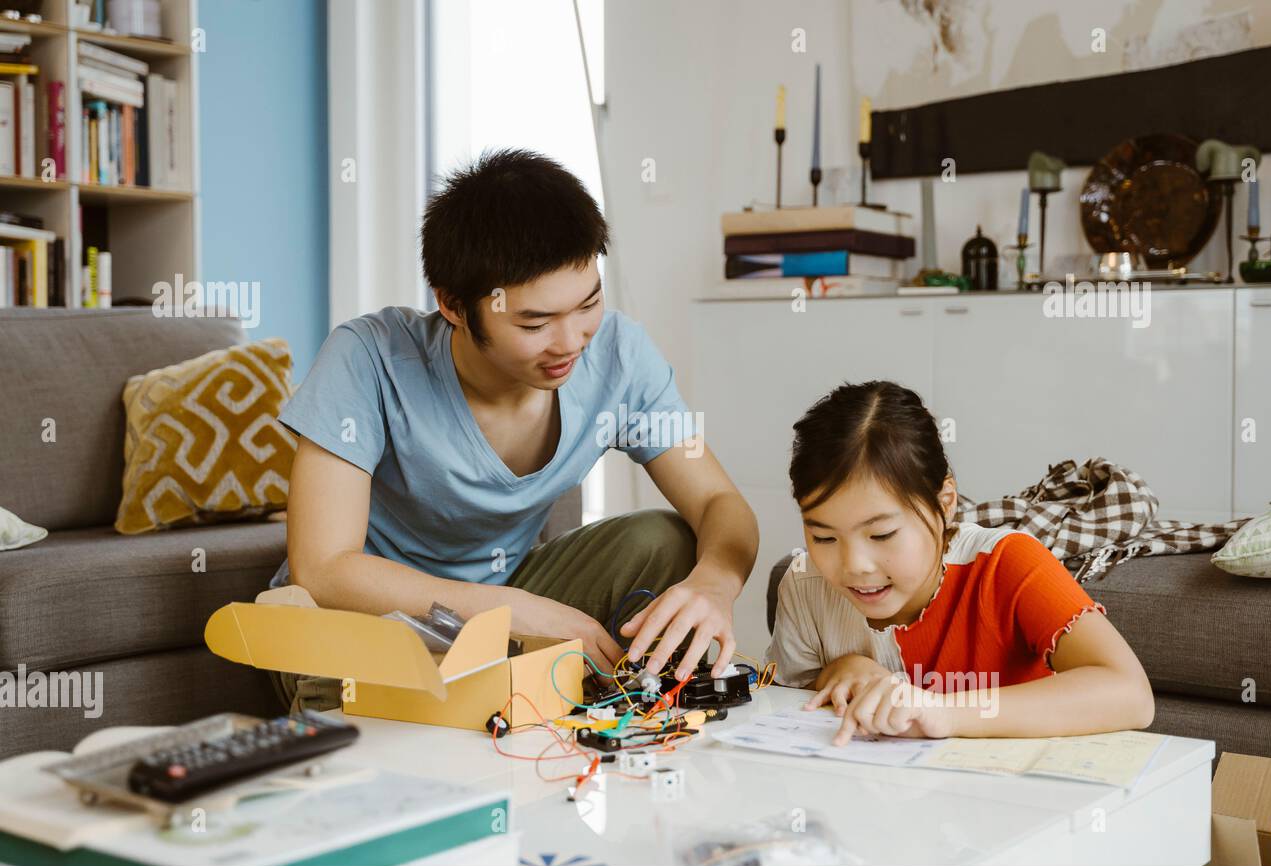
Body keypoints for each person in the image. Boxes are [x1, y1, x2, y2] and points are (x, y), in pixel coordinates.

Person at [270, 148, 758, 712]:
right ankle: (488, 688)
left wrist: (714, 585)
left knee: (666, 538)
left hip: (509, 604)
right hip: (370, 618)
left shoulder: (619, 356)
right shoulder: (368, 357)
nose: (571, 341)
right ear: (453, 305)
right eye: (535, 322)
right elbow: (324, 568)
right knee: (350, 682)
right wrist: (503, 611)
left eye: (588, 304)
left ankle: (513, 686)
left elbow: (721, 501)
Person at [766, 381, 1154, 744]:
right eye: (824, 537)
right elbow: (785, 718)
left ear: (945, 503)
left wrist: (942, 712)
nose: (854, 565)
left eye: (882, 534)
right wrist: (834, 677)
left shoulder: (1005, 563)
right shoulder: (804, 585)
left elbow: (1131, 694)